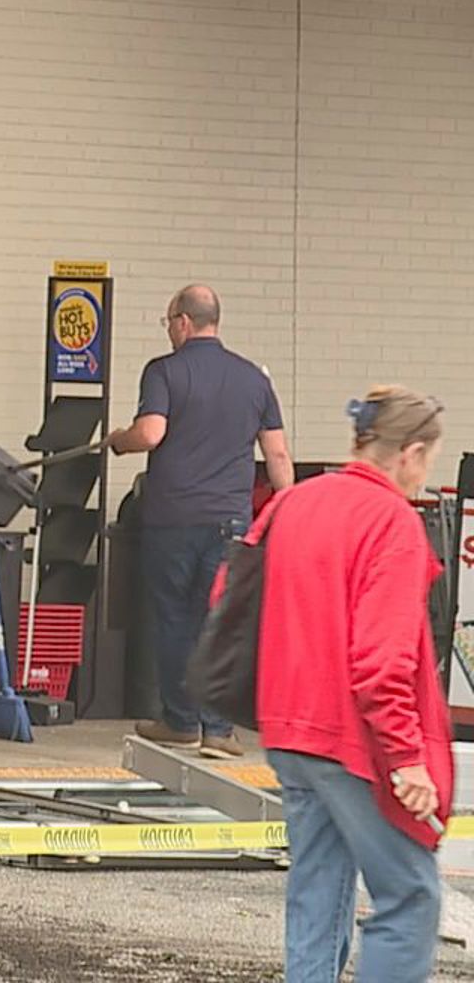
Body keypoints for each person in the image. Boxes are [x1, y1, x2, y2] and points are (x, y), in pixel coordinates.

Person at [254, 386, 450, 983]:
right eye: (427, 462)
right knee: (410, 897)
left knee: (318, 893)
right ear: (411, 453)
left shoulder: (296, 501)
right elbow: (382, 658)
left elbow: (231, 600)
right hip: (349, 739)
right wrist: (407, 758)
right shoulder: (393, 521)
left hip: (286, 728)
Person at [108, 285, 291, 759]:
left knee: (173, 620)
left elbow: (150, 433)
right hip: (231, 522)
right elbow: (277, 454)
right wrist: (288, 513)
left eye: (169, 321)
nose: (168, 329)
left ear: (184, 322)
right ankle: (219, 730)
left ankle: (181, 721)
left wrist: (119, 441)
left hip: (172, 519)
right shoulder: (254, 380)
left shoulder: (164, 371)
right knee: (220, 622)